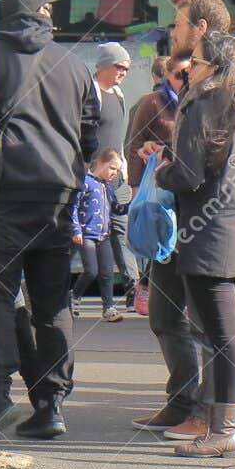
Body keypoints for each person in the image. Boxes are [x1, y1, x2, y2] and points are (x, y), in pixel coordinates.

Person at [0, 0, 100, 443]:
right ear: (42, 13)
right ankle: (51, 403)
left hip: (3, 192)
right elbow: (91, 136)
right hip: (57, 194)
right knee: (52, 301)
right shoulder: (74, 65)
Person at [153, 30, 235, 457]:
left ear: (215, 68)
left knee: (223, 336)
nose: (189, 68)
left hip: (209, 234)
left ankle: (225, 432)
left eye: (197, 62)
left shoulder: (205, 102)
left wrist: (160, 174)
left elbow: (188, 174)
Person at [132, 0, 231, 443]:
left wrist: (170, 163)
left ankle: (210, 416)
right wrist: (161, 155)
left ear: (202, 30)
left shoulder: (220, 88)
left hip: (203, 221)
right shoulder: (180, 91)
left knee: (206, 324)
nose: (172, 32)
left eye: (178, 24)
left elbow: (209, 161)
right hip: (172, 216)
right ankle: (180, 402)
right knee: (164, 315)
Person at [89, 42, 137, 308]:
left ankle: (133, 288)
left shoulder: (118, 94)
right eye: (119, 67)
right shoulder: (91, 93)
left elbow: (116, 136)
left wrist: (123, 161)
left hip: (116, 177)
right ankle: (78, 290)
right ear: (105, 65)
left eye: (127, 68)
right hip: (95, 180)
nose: (123, 73)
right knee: (91, 234)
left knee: (121, 232)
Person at [71, 147, 127, 322]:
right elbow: (73, 207)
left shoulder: (108, 188)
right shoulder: (86, 182)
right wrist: (76, 230)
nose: (114, 173)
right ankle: (74, 297)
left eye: (117, 170)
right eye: (112, 168)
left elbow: (118, 209)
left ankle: (108, 307)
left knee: (107, 272)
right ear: (100, 163)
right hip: (86, 234)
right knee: (91, 270)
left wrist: (133, 199)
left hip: (103, 235)